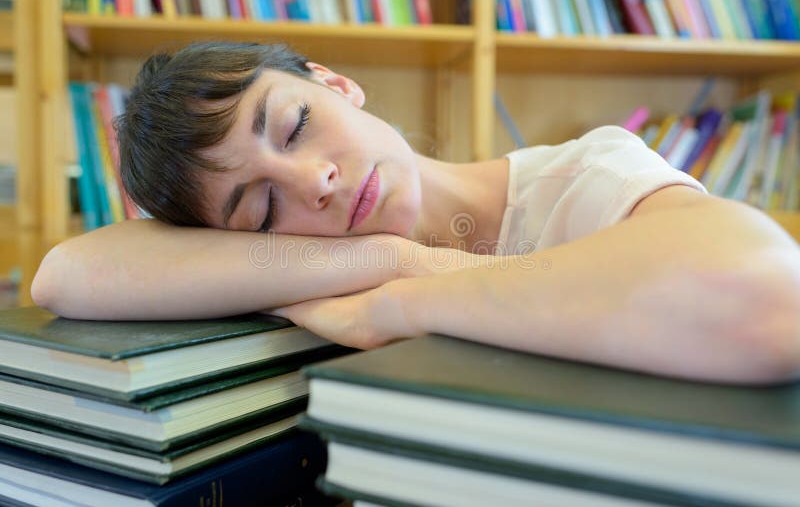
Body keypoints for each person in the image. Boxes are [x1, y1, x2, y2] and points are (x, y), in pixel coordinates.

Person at [31, 42, 800, 385]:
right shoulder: (343, 270)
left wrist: (407, 293)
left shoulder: (586, 174)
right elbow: (64, 277)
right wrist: (388, 258)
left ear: (334, 84)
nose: (315, 180)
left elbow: (766, 300)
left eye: (294, 125)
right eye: (264, 208)